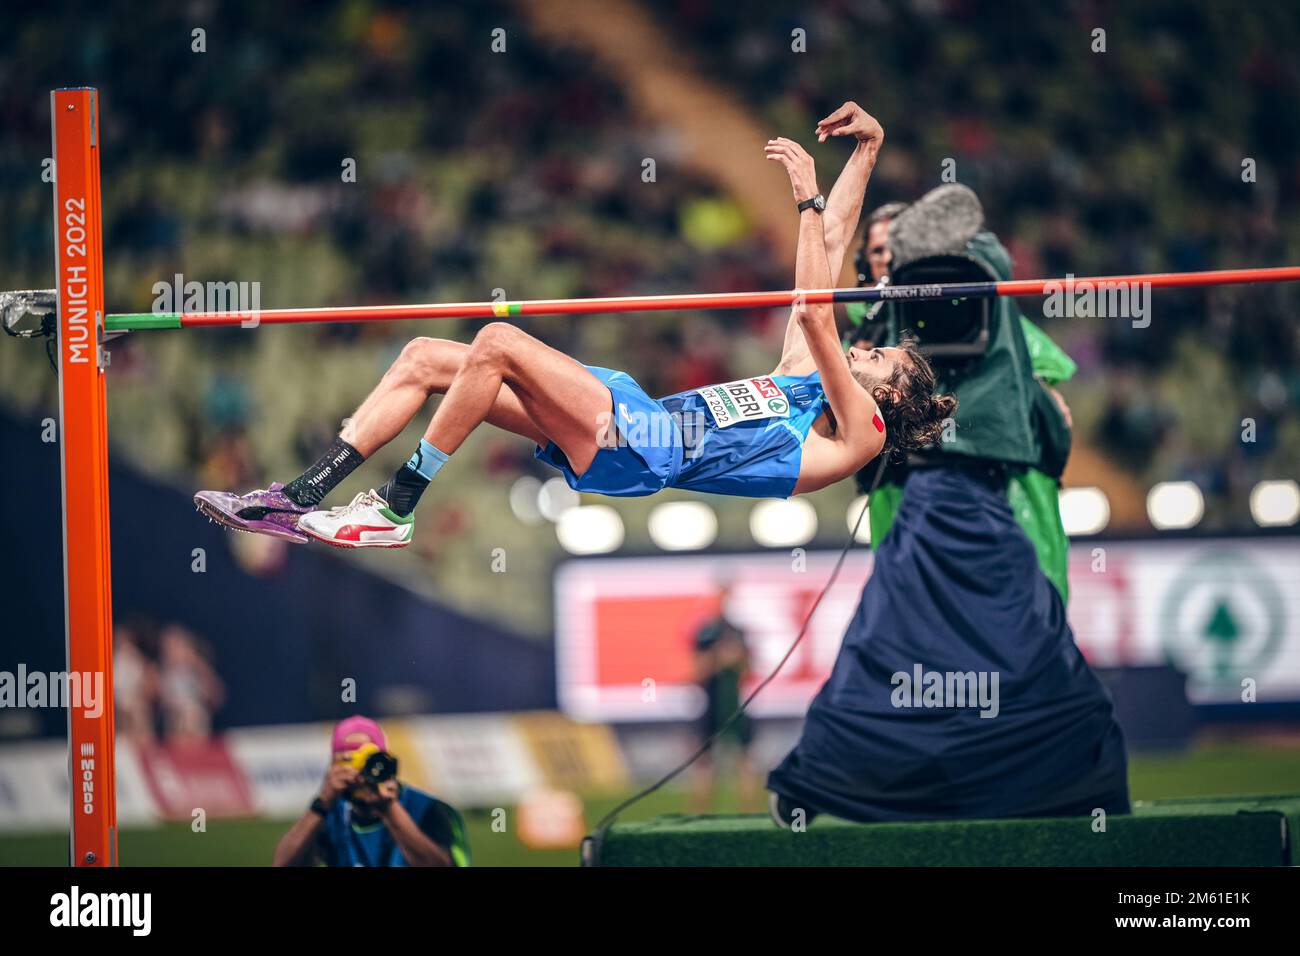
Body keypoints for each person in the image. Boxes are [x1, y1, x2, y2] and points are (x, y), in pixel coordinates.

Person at [195, 102, 955, 549]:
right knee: (430, 356)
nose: (869, 349)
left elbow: (816, 316)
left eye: (882, 357)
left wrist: (805, 196)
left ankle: (394, 508)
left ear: (888, 398)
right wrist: (869, 150)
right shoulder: (797, 390)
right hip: (639, 422)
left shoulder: (860, 435)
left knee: (495, 340)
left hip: (649, 449)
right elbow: (832, 247)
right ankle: (299, 496)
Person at [768, 185, 1129, 828]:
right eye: (877, 254)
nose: (884, 263)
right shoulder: (866, 338)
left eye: (895, 250)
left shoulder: (976, 292)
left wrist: (919, 252)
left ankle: (1085, 787)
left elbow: (988, 263)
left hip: (983, 503)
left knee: (1033, 639)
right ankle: (817, 781)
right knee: (884, 646)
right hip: (918, 505)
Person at [273, 716, 469, 867]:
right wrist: (322, 802)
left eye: (367, 763)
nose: (360, 775)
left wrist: (389, 809)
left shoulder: (427, 809)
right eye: (347, 762)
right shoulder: (330, 817)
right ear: (332, 766)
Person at [688, 580, 757, 813]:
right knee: (705, 761)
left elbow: (749, 670)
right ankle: (700, 815)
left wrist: (738, 660)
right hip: (712, 702)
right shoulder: (705, 632)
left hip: (735, 703)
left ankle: (748, 814)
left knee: (744, 758)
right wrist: (718, 660)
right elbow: (696, 672)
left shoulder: (738, 631)